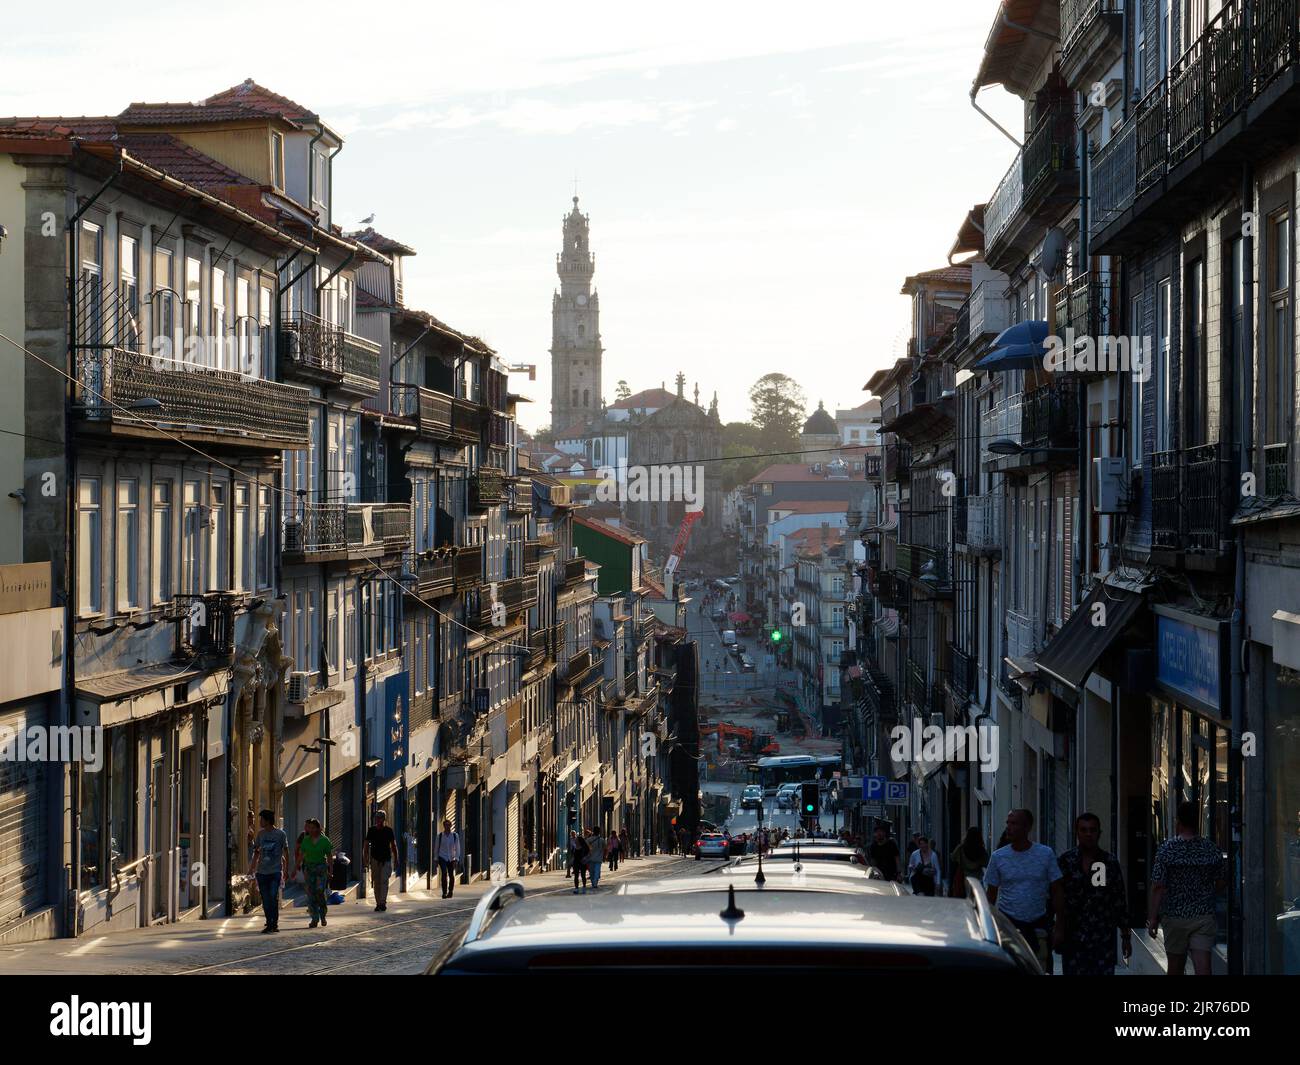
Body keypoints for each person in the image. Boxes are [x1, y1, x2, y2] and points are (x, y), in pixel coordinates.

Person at [1148, 800, 1226, 976]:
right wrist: (1208, 893)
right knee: (1203, 968)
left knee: (1175, 968)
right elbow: (1222, 881)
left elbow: (1158, 886)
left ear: (1179, 822)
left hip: (1175, 916)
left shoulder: (1167, 849)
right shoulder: (1210, 849)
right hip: (1203, 915)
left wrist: (1153, 918)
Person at [984, 809, 1066, 973]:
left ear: (1027, 827)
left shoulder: (1045, 854)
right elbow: (990, 896)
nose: (1008, 827)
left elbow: (1057, 891)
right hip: (1008, 925)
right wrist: (986, 927)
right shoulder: (998, 857)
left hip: (1038, 925)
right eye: (1008, 823)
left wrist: (1060, 926)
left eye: (1014, 823)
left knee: (1040, 969)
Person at [1057, 812, 1131, 975]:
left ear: (1099, 833)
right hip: (1073, 939)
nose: (1088, 834)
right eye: (1084, 830)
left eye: (1092, 830)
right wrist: (1056, 930)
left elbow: (1119, 899)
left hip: (1102, 939)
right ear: (1076, 833)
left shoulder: (1109, 862)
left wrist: (1126, 936)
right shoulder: (1066, 861)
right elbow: (1056, 898)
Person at [247, 809, 289, 934]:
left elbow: (286, 851)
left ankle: (274, 923)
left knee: (272, 896)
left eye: (262, 819)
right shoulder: (260, 834)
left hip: (275, 871)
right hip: (262, 872)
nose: (260, 822)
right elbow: (256, 852)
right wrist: (251, 869)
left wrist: (286, 869)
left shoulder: (281, 834)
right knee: (265, 899)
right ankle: (269, 922)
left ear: (268, 820)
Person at [294, 818, 334, 929]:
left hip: (321, 869)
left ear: (318, 828)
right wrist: (295, 868)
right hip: (309, 868)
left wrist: (331, 871)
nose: (310, 830)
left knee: (320, 891)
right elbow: (301, 855)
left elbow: (329, 856)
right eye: (309, 828)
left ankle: (323, 914)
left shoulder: (325, 840)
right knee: (311, 894)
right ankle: (314, 918)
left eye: (313, 828)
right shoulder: (306, 840)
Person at [363, 810, 398, 912]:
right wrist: (365, 858)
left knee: (384, 881)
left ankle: (382, 902)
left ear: (384, 819)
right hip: (375, 859)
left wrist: (396, 859)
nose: (378, 820)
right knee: (376, 882)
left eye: (380, 818)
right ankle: (378, 903)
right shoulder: (371, 830)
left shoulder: (389, 830)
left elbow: (393, 845)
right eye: (377, 818)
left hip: (386, 860)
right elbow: (366, 845)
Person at [949, 826, 989, 898]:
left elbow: (953, 858)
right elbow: (987, 864)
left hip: (963, 880)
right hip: (977, 880)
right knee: (978, 899)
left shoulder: (961, 848)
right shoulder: (981, 851)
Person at [434, 819, 461, 899]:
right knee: (444, 873)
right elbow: (436, 847)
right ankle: (444, 892)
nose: (447, 827)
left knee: (451, 875)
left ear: (451, 826)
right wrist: (436, 858)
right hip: (442, 857)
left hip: (452, 858)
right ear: (444, 826)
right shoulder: (440, 836)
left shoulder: (455, 836)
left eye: (449, 825)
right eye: (446, 825)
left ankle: (450, 891)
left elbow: (457, 848)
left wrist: (456, 858)